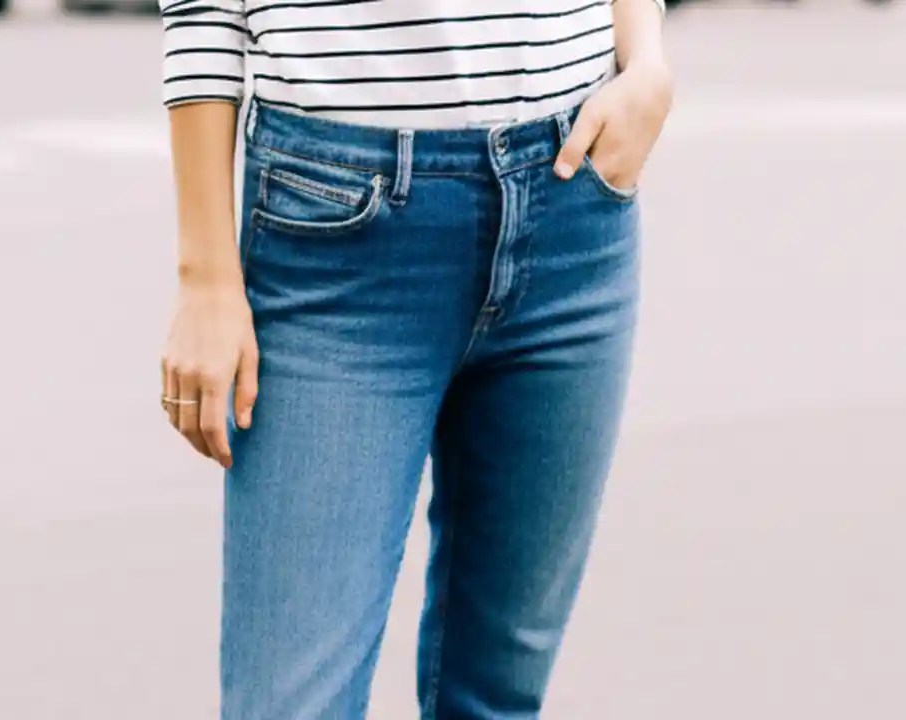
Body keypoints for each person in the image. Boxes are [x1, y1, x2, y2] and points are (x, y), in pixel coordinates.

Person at [156, 1, 672, 717]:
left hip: (571, 202)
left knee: (496, 699)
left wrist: (646, 59)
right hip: (338, 224)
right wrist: (205, 276)